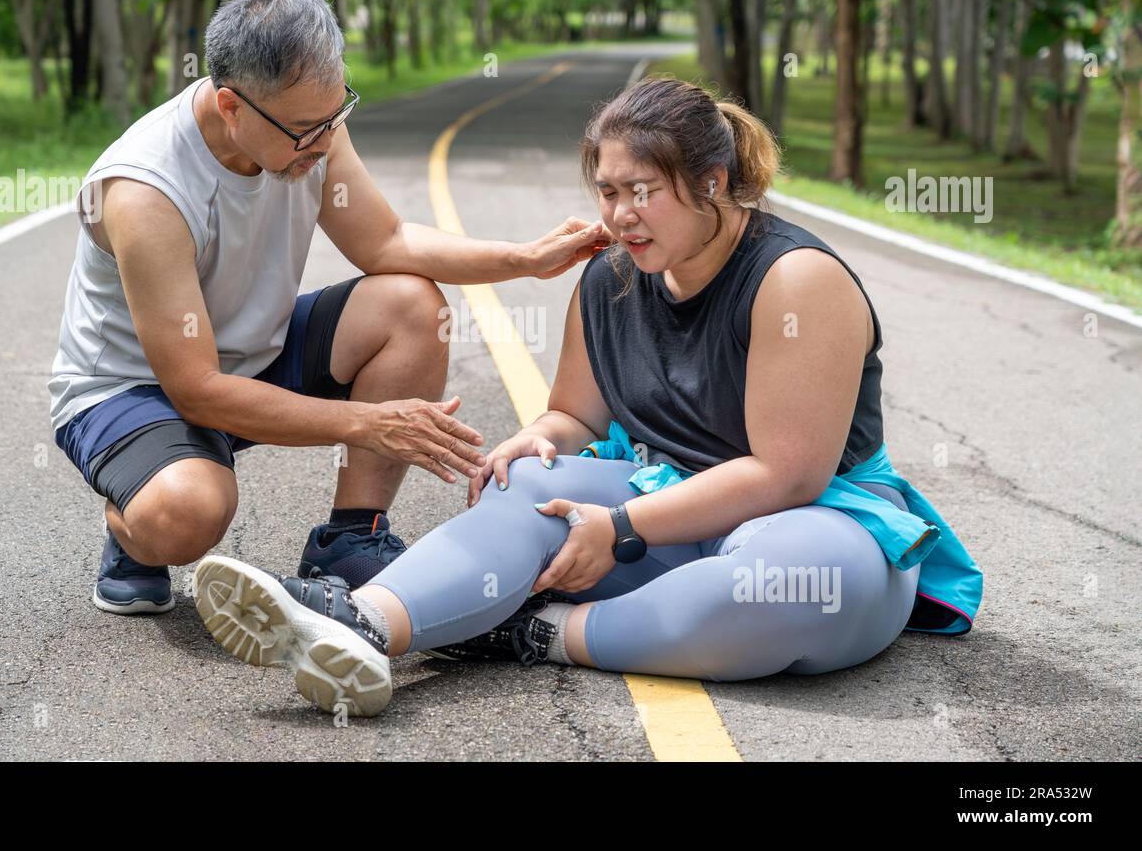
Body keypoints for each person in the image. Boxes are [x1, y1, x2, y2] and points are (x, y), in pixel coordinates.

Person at [192, 76, 984, 718]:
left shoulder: (796, 280)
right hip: (669, 513)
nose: (619, 216)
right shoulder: (609, 277)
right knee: (531, 487)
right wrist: (539, 438)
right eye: (607, 192)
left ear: (714, 182)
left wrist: (621, 527)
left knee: (794, 576)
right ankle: (361, 624)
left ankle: (539, 631)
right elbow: (576, 417)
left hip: (817, 524)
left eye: (642, 192)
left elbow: (788, 477)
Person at [49, 0, 609, 615]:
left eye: (335, 115)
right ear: (231, 106)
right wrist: (373, 423)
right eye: (305, 131)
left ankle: (350, 538)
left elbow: (387, 242)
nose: (323, 143)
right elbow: (196, 389)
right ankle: (135, 526)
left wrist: (524, 260)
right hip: (137, 390)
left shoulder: (307, 122)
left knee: (410, 304)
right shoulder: (146, 192)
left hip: (255, 351)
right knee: (191, 512)